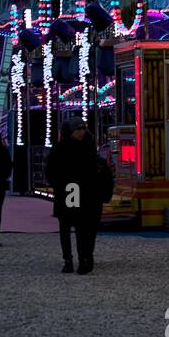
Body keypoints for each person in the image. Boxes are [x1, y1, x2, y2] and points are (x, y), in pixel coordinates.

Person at [46, 117, 106, 275]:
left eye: (83, 128)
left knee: (81, 227)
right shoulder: (60, 148)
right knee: (66, 227)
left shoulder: (87, 146)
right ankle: (69, 260)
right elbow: (50, 171)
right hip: (68, 192)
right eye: (78, 129)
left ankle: (83, 259)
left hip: (83, 193)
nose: (82, 131)